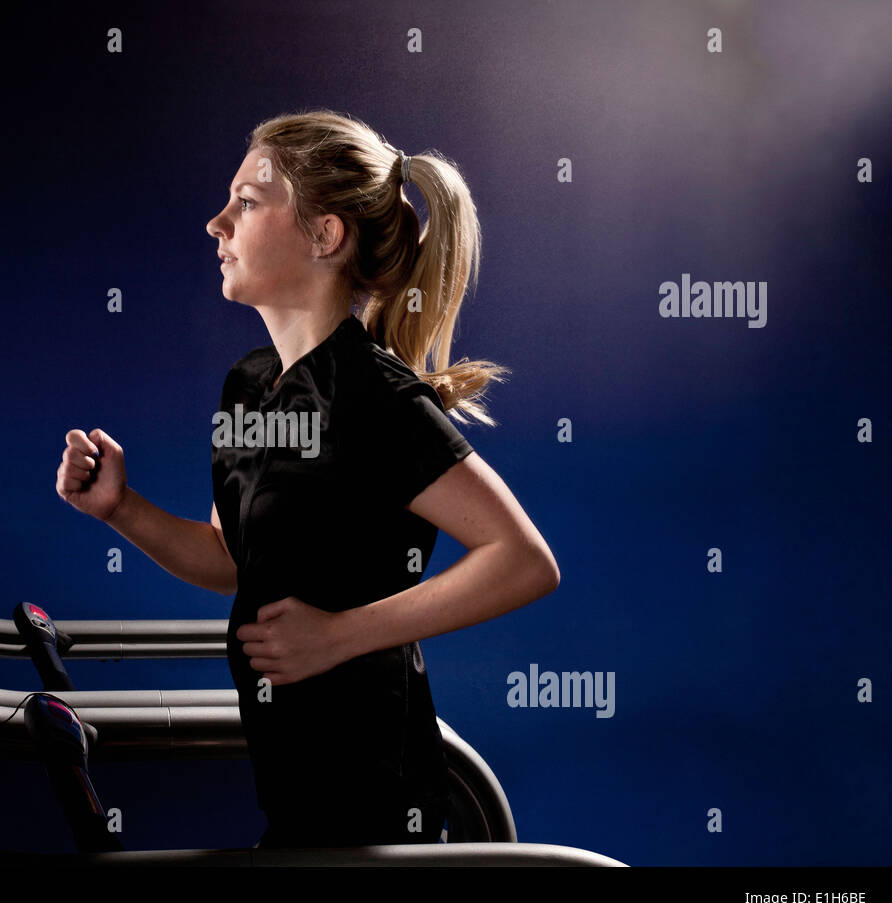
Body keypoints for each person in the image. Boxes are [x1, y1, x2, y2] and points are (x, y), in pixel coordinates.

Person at [55, 110, 560, 850]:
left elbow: (523, 560)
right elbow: (233, 560)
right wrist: (122, 510)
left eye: (248, 202)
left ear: (326, 235)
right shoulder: (250, 385)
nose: (215, 223)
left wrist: (339, 636)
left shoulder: (374, 397)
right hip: (291, 798)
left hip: (376, 811)